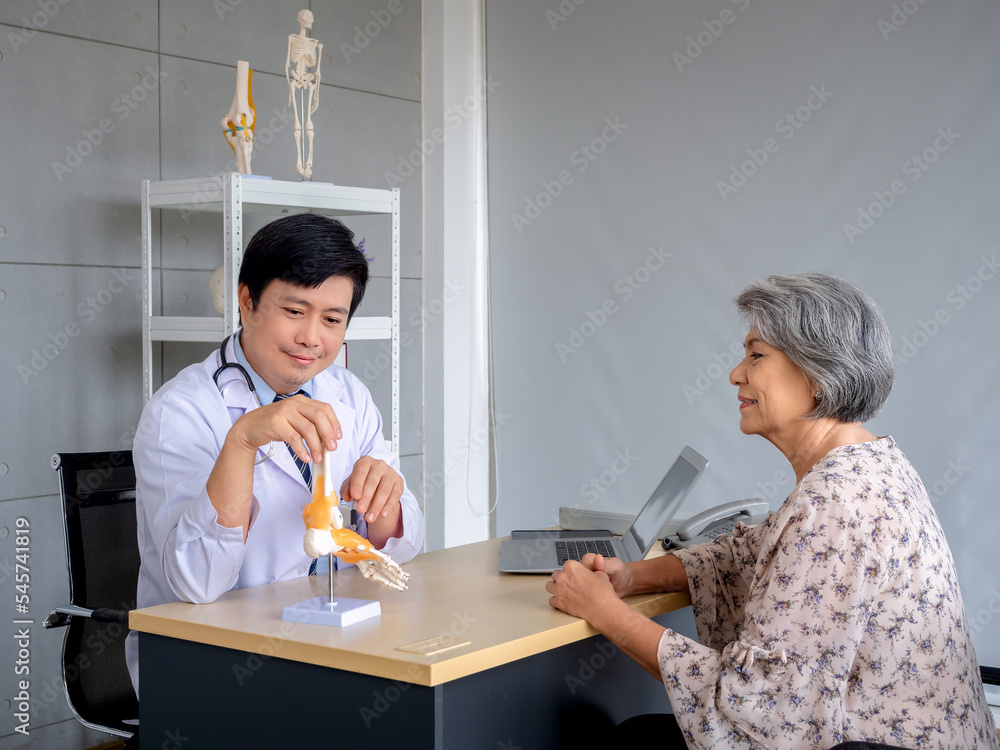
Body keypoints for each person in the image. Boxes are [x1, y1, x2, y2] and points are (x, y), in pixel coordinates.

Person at [547, 273, 997, 749]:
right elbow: (746, 555)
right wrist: (630, 578)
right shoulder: (871, 462)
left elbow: (760, 707)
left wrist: (603, 611)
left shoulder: (834, 505)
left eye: (756, 355)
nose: (735, 374)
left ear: (818, 374)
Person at [126, 214, 423, 695]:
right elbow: (197, 583)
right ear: (247, 302)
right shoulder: (180, 412)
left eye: (332, 320)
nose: (312, 338)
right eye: (294, 311)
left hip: (333, 643)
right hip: (213, 663)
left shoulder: (347, 393)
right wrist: (242, 441)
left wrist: (383, 500)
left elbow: (403, 549)